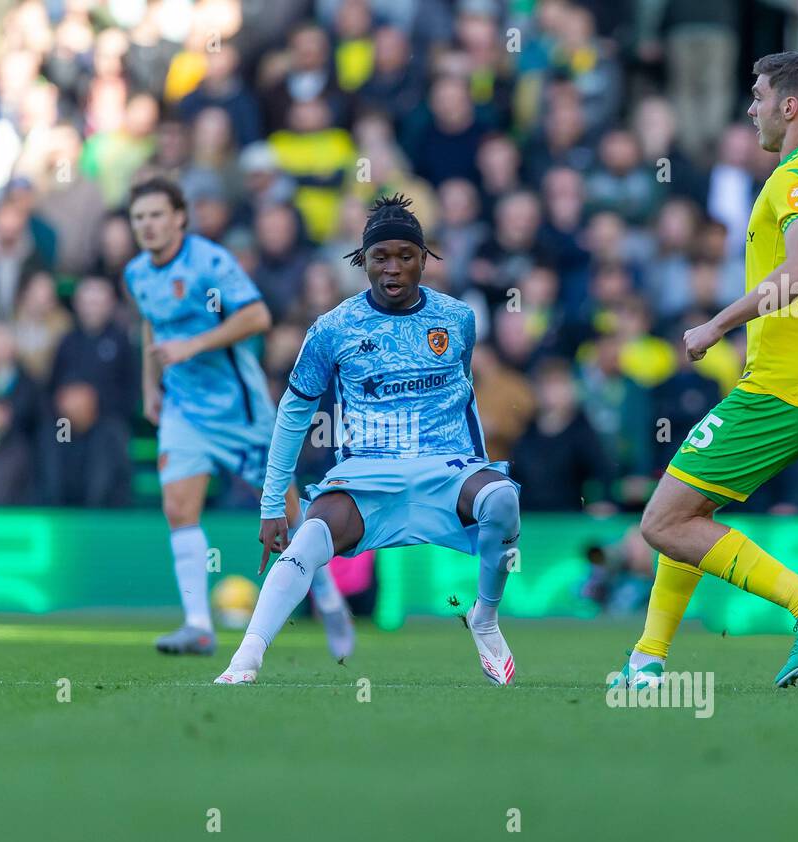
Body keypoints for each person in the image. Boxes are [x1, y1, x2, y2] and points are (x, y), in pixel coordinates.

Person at [612, 52, 798, 691]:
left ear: (789, 106)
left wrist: (716, 324)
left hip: (786, 385)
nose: (750, 108)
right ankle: (646, 662)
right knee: (687, 507)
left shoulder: (797, 177)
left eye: (757, 96)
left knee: (660, 522)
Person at [213, 194, 522, 686]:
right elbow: (293, 414)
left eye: (406, 256)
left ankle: (484, 617)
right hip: (368, 475)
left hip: (445, 466)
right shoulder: (332, 328)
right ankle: (246, 657)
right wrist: (273, 501)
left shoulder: (459, 319)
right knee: (310, 536)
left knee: (503, 498)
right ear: (362, 262)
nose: (393, 268)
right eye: (381, 257)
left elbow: (463, 400)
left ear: (426, 259)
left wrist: (476, 463)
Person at [124, 178, 351, 658]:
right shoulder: (138, 273)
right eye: (139, 217)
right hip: (183, 409)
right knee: (178, 508)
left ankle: (328, 595)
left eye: (156, 215)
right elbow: (151, 321)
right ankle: (198, 625)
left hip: (238, 410)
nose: (147, 225)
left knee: (287, 517)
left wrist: (193, 345)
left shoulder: (210, 262)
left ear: (179, 218)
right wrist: (150, 385)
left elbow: (256, 317)